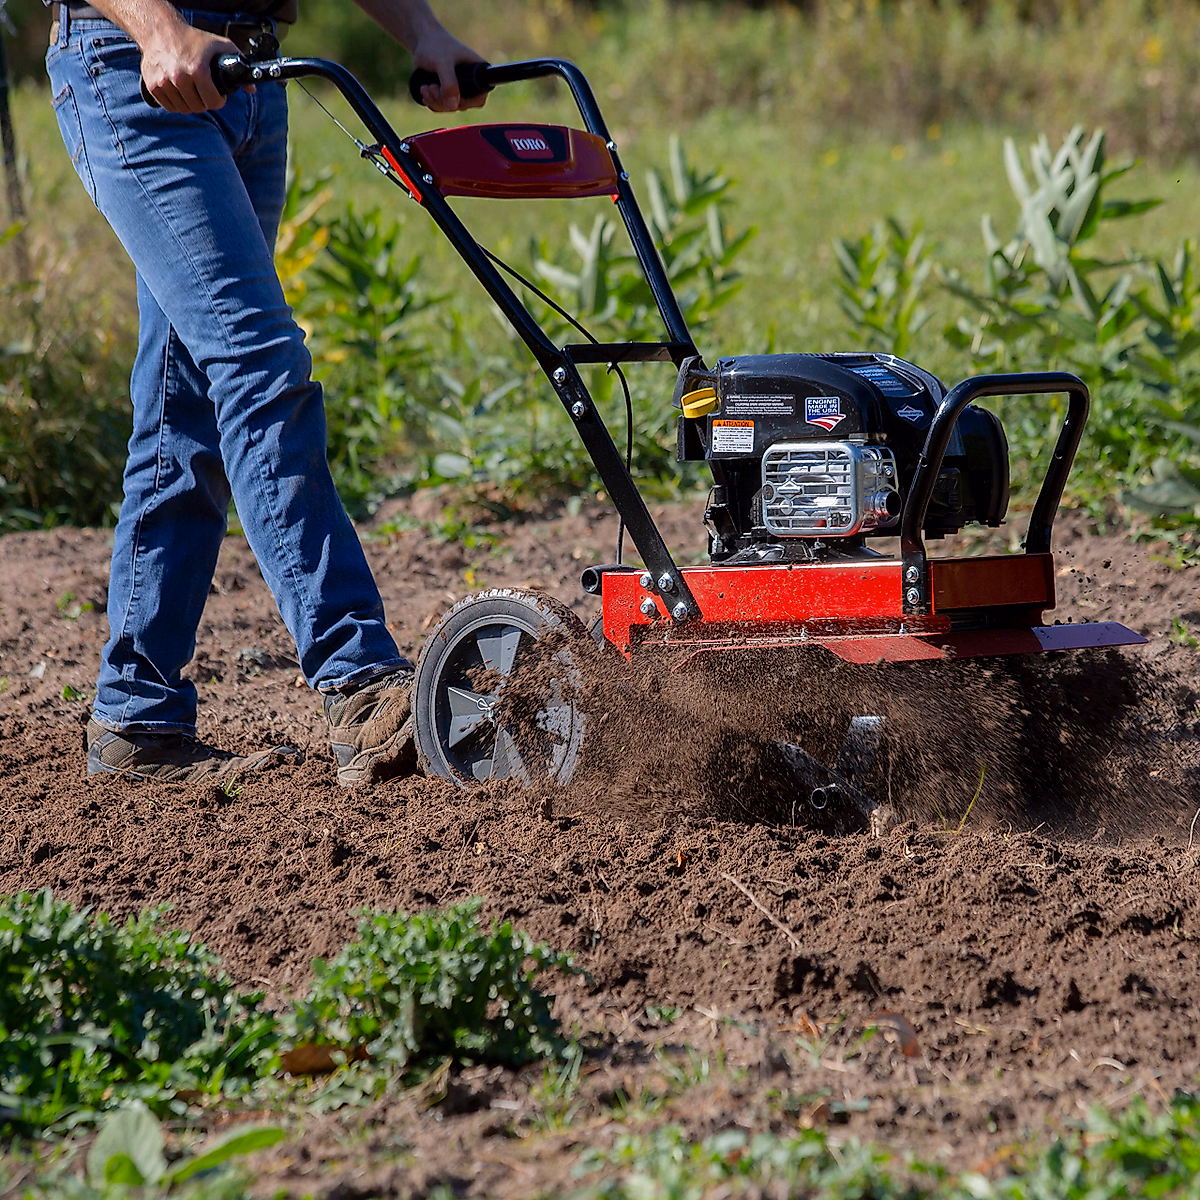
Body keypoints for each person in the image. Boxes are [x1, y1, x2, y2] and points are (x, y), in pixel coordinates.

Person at [44, 0, 486, 784]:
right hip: (139, 65)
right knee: (259, 363)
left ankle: (135, 716)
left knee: (188, 399)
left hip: (248, 73)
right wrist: (155, 28)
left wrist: (423, 31)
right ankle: (358, 681)